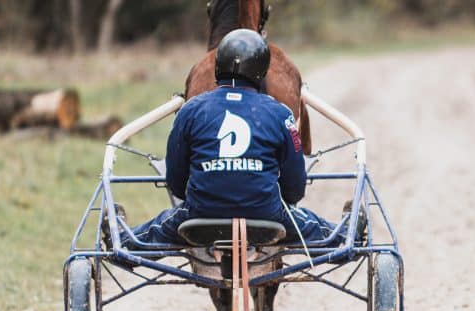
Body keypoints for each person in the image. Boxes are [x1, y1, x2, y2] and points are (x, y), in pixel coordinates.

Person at [109, 29, 353, 249]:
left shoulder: (190, 110)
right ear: (262, 72)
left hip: (200, 215)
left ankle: (122, 239)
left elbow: (175, 180)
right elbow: (295, 187)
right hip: (266, 216)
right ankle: (347, 233)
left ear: (218, 66)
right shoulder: (281, 113)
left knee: (153, 231)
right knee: (321, 230)